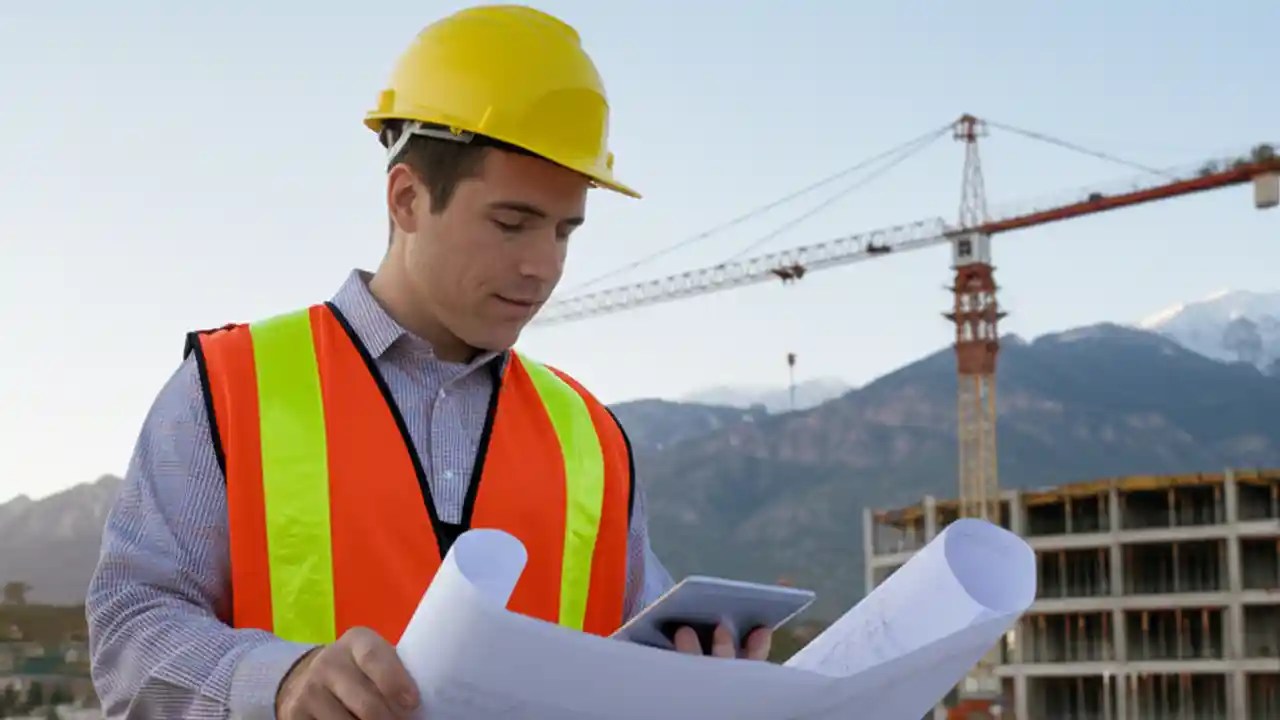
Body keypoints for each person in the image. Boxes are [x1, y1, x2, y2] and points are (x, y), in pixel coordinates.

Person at [85, 5, 772, 719]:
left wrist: (694, 680)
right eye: (511, 224)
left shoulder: (591, 439)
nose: (543, 266)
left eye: (564, 232)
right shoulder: (232, 387)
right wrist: (279, 682)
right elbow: (131, 627)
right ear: (408, 198)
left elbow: (628, 659)